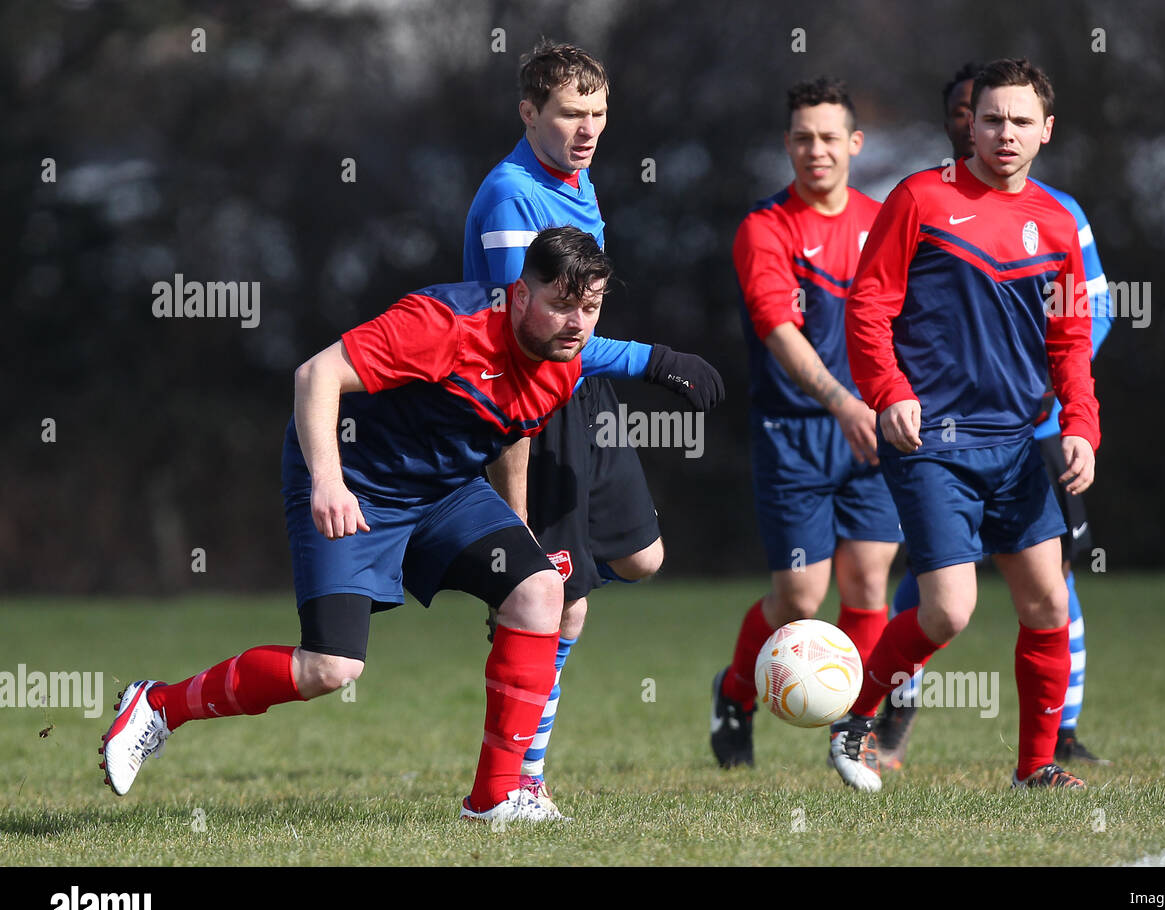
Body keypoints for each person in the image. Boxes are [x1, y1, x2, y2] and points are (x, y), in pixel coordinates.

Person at [102, 227, 636, 823]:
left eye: (589, 308)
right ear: (517, 297)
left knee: (539, 590)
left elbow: (512, 430)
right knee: (330, 668)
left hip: (444, 491)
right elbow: (315, 376)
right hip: (356, 479)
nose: (577, 322)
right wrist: (327, 480)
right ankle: (159, 706)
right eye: (562, 304)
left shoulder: (563, 363)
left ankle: (497, 797)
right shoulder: (441, 325)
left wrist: (517, 524)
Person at [464, 41, 723, 811]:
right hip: (534, 399)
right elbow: (534, 335)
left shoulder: (578, 180)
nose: (587, 129)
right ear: (528, 113)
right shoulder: (511, 195)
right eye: (570, 114)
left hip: (583, 396)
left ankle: (529, 608)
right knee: (563, 598)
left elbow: (575, 321)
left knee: (643, 556)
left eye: (598, 115)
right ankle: (519, 781)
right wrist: (653, 358)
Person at [839, 58, 1100, 792]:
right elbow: (868, 308)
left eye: (1021, 121)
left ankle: (1035, 768)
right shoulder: (921, 198)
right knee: (949, 610)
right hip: (931, 443)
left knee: (1048, 600)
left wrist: (1079, 423)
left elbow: (1070, 340)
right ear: (969, 124)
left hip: (1017, 444)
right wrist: (888, 390)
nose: (1005, 133)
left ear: (1046, 130)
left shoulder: (1056, 220)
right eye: (992, 119)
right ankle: (856, 721)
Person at [709, 77, 901, 769]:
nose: (815, 150)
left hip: (874, 432)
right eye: (801, 137)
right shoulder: (766, 228)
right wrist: (841, 402)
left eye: (828, 137)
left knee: (870, 585)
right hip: (796, 433)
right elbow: (779, 333)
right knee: (800, 596)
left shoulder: (884, 224)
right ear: (786, 145)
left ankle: (853, 730)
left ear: (854, 143)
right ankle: (735, 692)